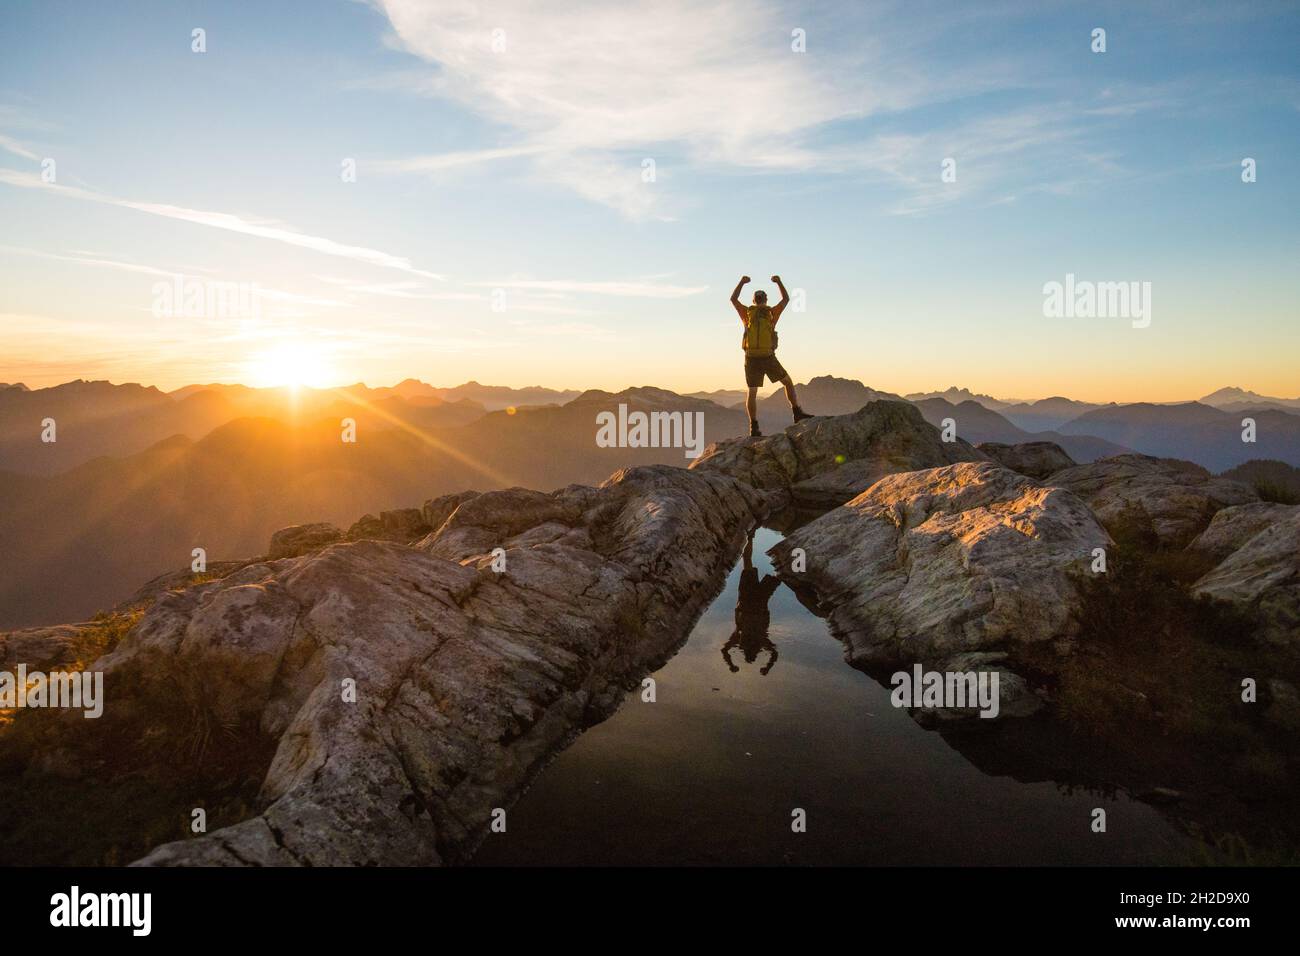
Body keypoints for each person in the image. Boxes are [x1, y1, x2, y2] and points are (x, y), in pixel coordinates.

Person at [730, 273, 812, 437]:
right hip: (768, 357)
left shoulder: (747, 314)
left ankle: (754, 428)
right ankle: (797, 413)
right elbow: (786, 299)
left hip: (751, 357)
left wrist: (742, 282)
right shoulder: (771, 314)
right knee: (787, 382)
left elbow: (733, 299)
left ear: (754, 300)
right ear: (766, 300)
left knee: (752, 392)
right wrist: (779, 282)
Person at [721, 529, 783, 676]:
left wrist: (731, 664)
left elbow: (725, 650)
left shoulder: (741, 636)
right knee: (776, 574)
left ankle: (750, 536)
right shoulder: (760, 639)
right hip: (757, 601)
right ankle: (751, 536)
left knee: (749, 562)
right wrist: (767, 667)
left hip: (749, 598)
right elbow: (774, 654)